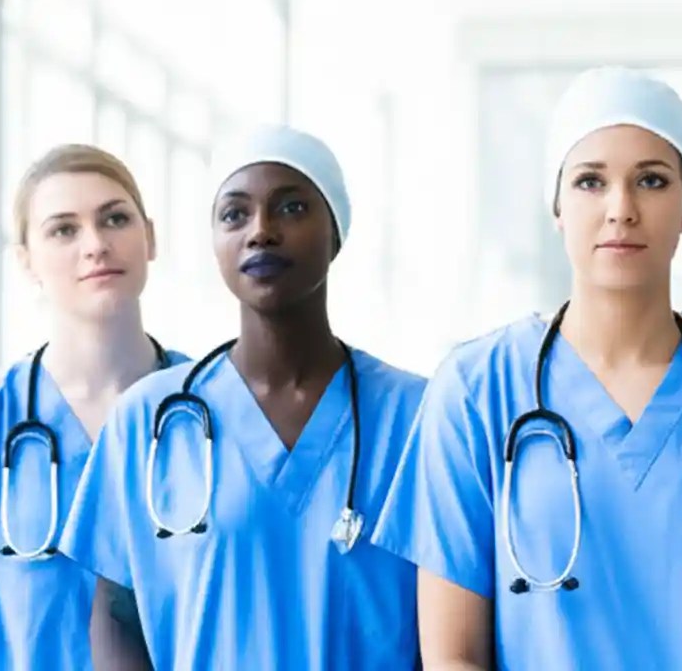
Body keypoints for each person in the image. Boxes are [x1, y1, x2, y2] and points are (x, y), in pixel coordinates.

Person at [371, 66, 682, 670]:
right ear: (556, 206)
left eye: (652, 180)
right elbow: (454, 657)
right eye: (589, 181)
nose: (621, 209)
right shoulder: (476, 394)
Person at [57, 127, 426, 670]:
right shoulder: (148, 420)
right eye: (235, 215)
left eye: (292, 207)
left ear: (337, 232)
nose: (262, 232)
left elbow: (455, 624)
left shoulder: (416, 416)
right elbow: (116, 616)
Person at [0, 144, 187, 671]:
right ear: (26, 260)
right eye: (63, 229)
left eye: (115, 218)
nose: (96, 244)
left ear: (150, 237)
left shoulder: (214, 410)